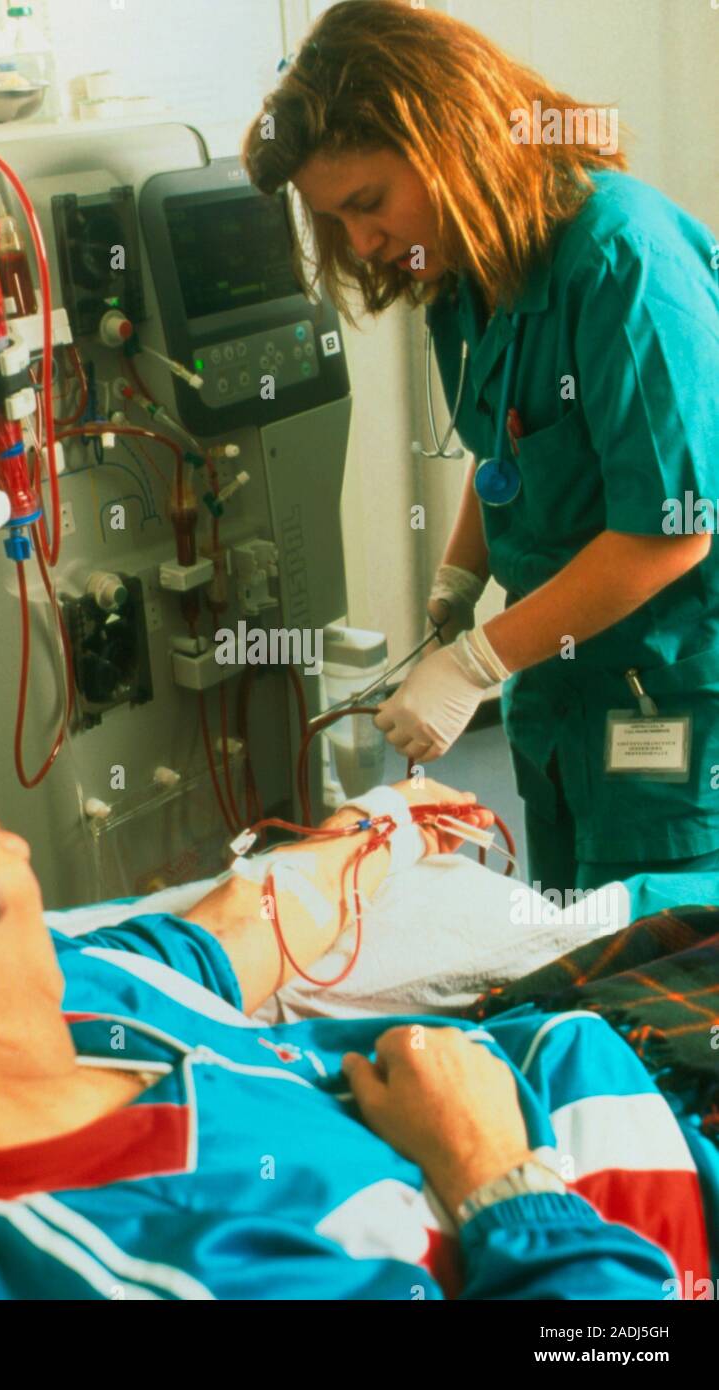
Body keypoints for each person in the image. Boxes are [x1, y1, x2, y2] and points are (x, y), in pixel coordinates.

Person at [0, 687, 711, 1300]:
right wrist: (495, 1179)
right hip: (650, 1221)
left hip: (598, 1042)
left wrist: (385, 829)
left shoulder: (66, 998)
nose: (22, 853)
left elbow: (239, 932)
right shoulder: (158, 1264)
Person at [242, 1, 719, 898]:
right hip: (561, 694)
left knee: (659, 984)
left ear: (449, 138)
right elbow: (511, 442)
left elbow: (669, 532)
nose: (362, 241)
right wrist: (459, 580)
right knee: (569, 947)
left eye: (368, 203)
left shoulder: (622, 262)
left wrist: (476, 663)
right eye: (336, 220)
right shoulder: (471, 271)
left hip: (672, 700)